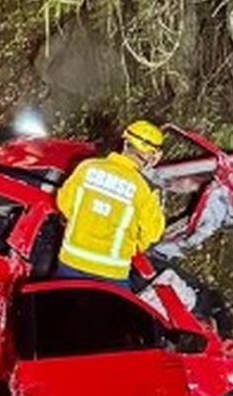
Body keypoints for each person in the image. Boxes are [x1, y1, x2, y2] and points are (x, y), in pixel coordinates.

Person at [56, 119, 168, 285]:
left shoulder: (87, 167)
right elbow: (152, 235)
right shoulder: (145, 189)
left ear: (125, 143)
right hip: (111, 273)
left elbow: (63, 203)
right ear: (151, 154)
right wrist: (132, 244)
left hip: (70, 261)